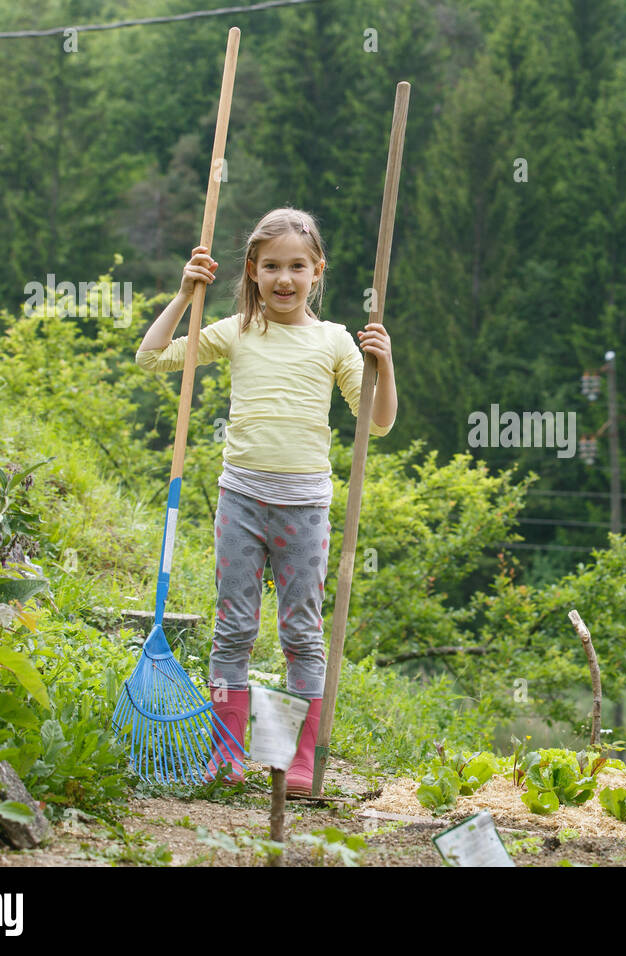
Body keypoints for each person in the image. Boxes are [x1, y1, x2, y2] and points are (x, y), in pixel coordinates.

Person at [135, 206, 397, 796]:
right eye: (272, 266)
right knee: (233, 630)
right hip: (242, 501)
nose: (285, 278)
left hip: (304, 507)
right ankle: (227, 752)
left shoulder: (332, 341)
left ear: (317, 271)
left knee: (301, 633)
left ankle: (297, 760)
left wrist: (385, 364)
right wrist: (183, 295)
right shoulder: (237, 331)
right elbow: (152, 358)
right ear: (252, 271)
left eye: (297, 266)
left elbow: (376, 424)